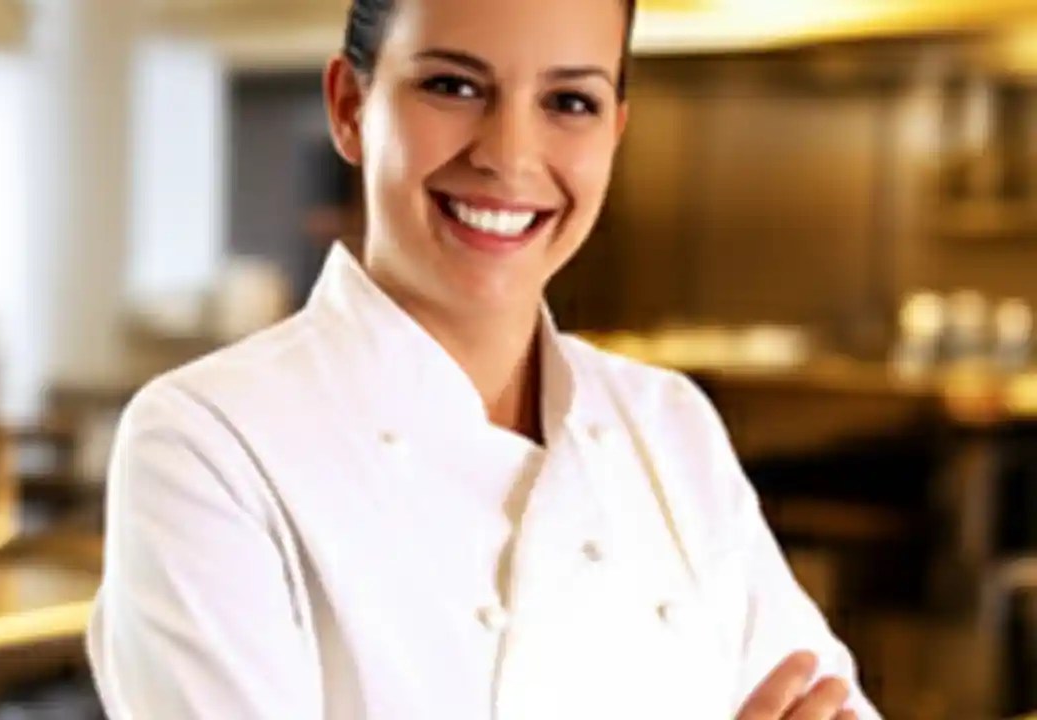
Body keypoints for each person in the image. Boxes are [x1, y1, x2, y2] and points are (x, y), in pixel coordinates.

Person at [86, 0, 881, 717]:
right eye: (454, 87)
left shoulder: (666, 421)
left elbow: (831, 704)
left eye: (569, 102)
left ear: (613, 134)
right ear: (351, 108)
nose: (508, 155)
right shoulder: (209, 444)